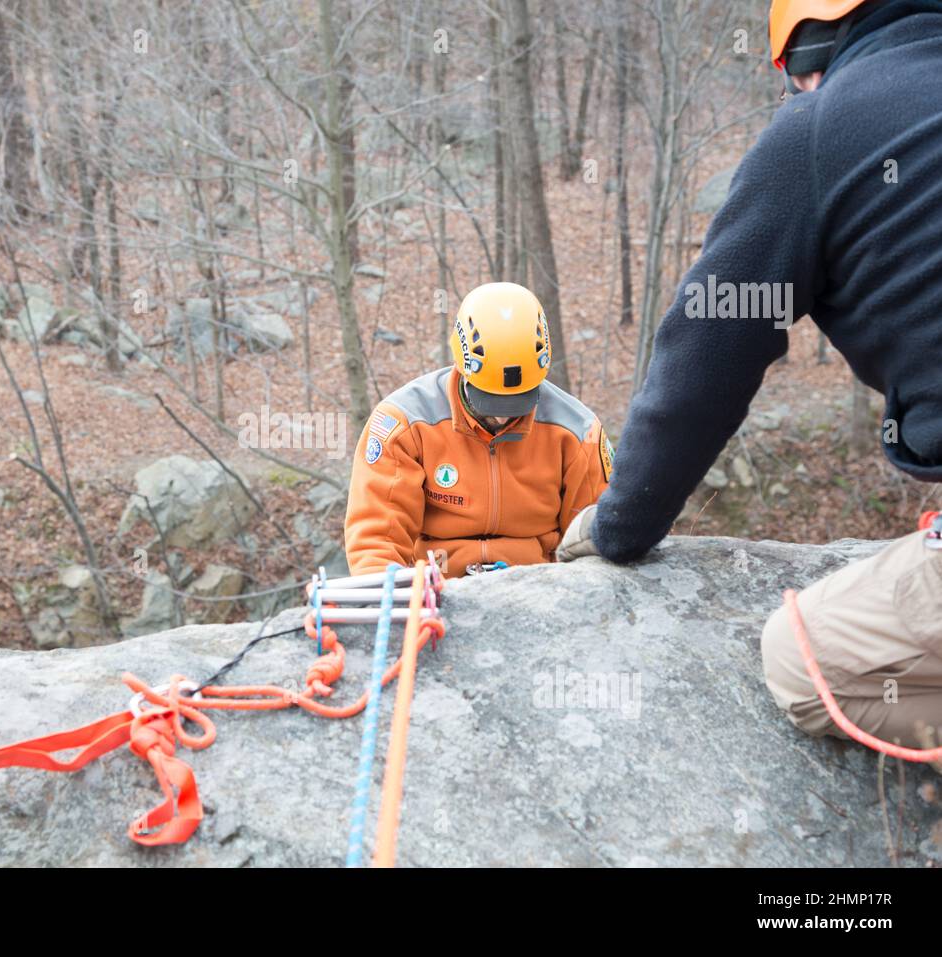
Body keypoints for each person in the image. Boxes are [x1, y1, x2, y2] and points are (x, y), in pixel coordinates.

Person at [557, 0, 942, 745]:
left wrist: (618, 524)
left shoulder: (817, 130)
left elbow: (706, 355)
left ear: (811, 53)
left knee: (802, 658)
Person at [345, 282, 612, 577]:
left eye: (517, 402)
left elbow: (593, 538)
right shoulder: (404, 424)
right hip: (436, 584)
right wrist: (391, 599)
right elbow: (377, 540)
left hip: (539, 586)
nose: (501, 419)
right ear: (461, 367)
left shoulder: (577, 433)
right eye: (490, 402)